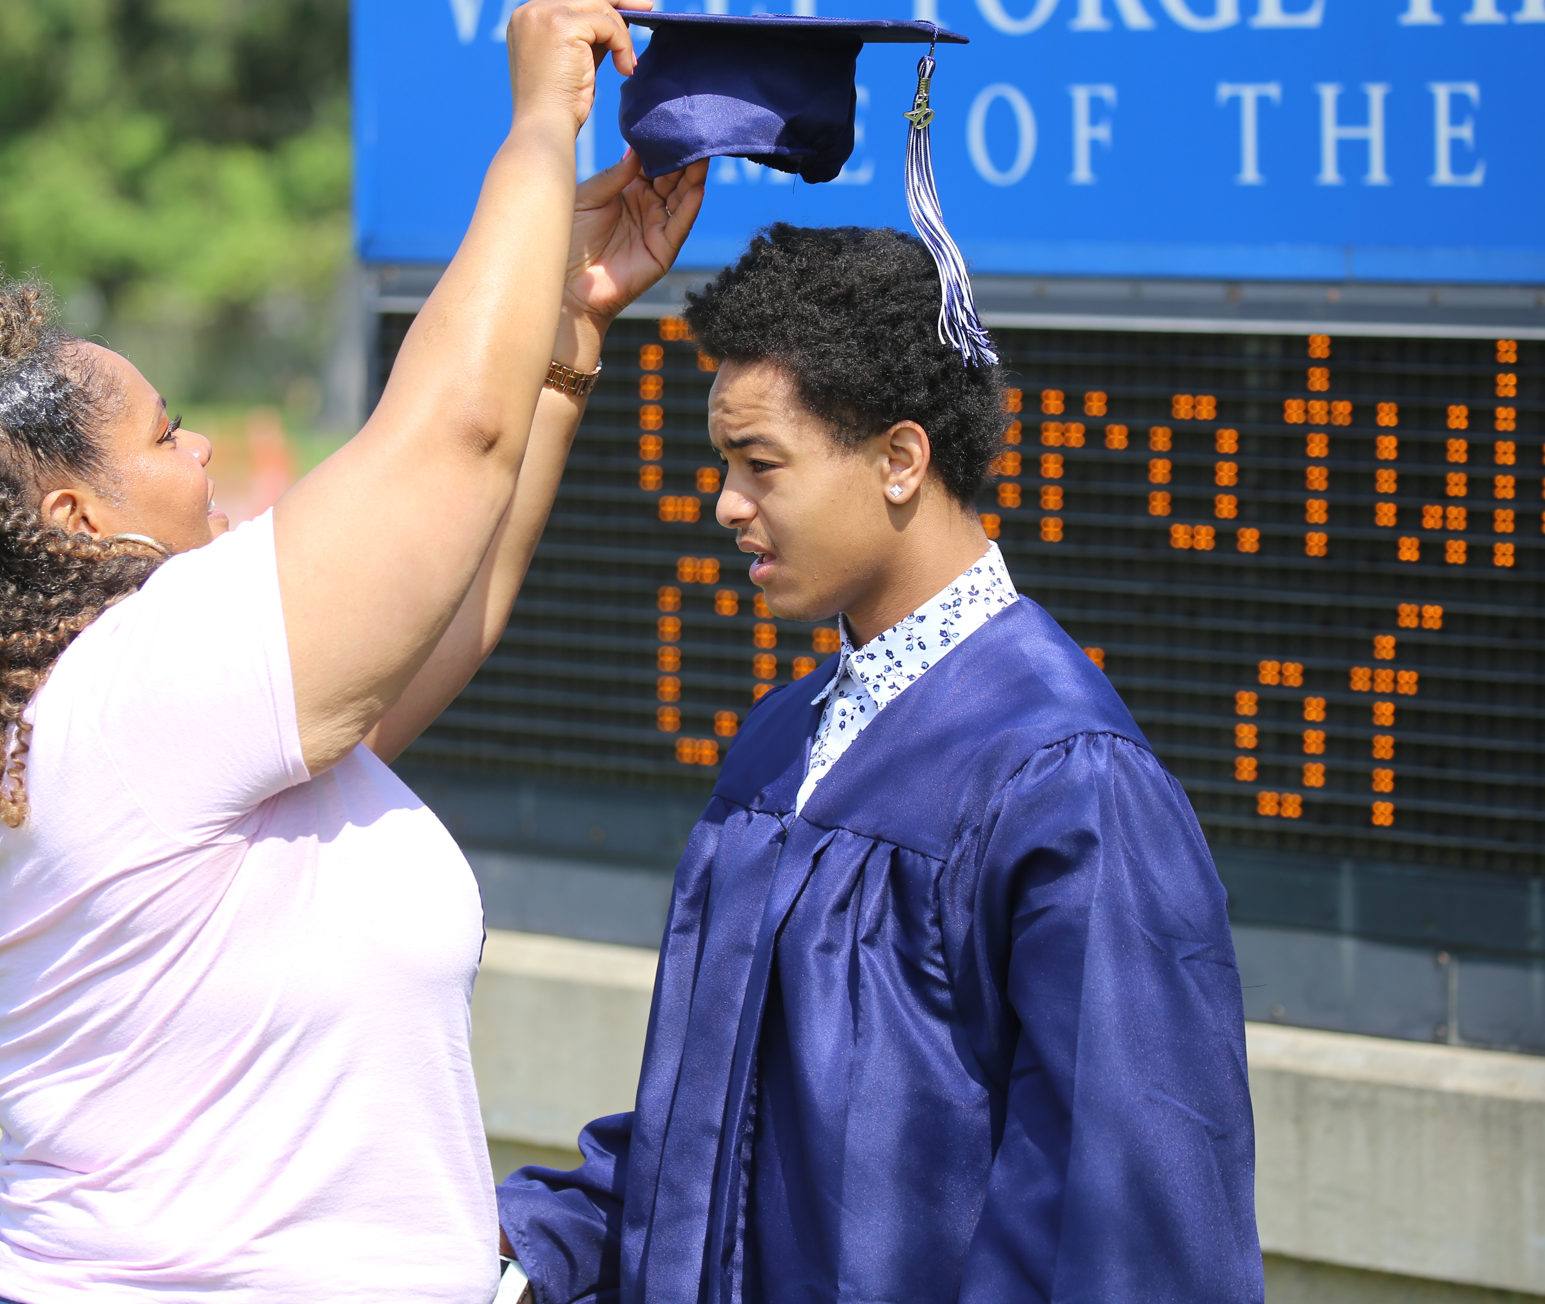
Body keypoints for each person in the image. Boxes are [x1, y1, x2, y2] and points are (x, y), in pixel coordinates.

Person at [0, 0, 705, 1302]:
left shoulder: (133, 712)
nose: (205, 445)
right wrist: (534, 132)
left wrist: (566, 338)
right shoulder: (133, 685)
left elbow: (453, 605)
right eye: (164, 434)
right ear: (72, 513)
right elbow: (450, 437)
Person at [496, 225, 1263, 1303]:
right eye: (724, 465)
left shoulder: (1064, 782)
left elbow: (1129, 1219)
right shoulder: (780, 744)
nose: (723, 503)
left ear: (899, 458)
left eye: (759, 465)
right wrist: (536, 1249)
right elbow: (717, 1135)